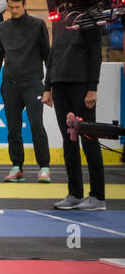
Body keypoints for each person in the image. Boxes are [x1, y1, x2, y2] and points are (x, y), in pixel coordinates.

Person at [44, 11, 105, 211]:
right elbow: (54, 52)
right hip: (60, 84)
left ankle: (97, 196)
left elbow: (96, 52)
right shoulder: (59, 17)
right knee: (69, 140)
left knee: (88, 139)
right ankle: (75, 193)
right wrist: (47, 86)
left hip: (81, 85)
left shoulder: (89, 17)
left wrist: (92, 88)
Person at [0, 0, 51, 184]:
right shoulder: (2, 27)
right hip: (9, 84)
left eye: (17, 7)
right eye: (11, 7)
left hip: (33, 83)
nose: (14, 10)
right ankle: (17, 167)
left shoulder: (38, 25)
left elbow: (48, 57)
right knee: (13, 129)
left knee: (36, 126)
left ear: (24, 5)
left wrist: (49, 86)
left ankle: (44, 167)